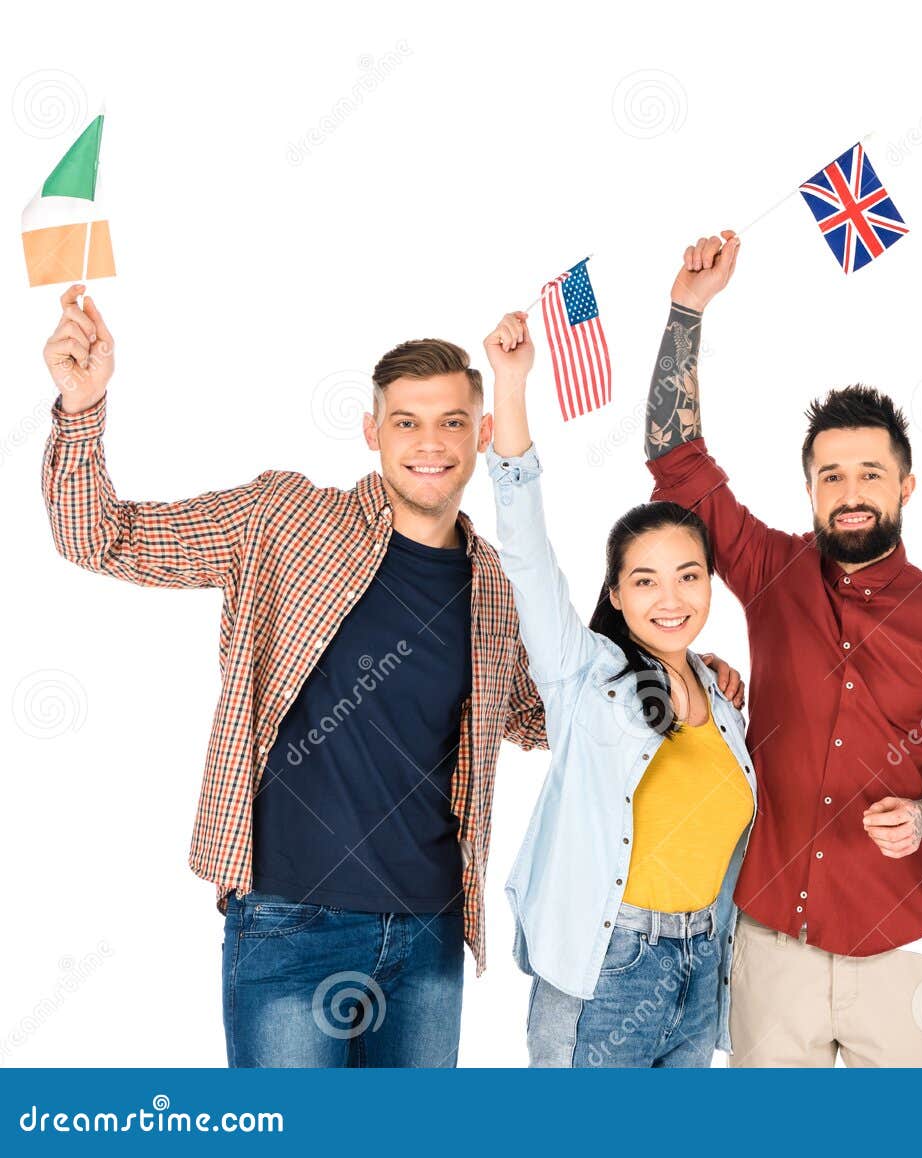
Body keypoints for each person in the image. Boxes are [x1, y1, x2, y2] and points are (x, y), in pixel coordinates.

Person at [37, 286, 737, 1066]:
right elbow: (102, 538)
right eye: (406, 422)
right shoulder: (285, 519)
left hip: (427, 939)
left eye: (451, 423)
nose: (429, 443)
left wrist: (679, 671)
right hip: (290, 923)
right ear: (373, 431)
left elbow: (549, 715)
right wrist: (82, 408)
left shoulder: (494, 587)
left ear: (480, 437)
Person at [644, 231, 922, 1067]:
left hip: (905, 949)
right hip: (772, 940)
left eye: (870, 474)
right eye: (832, 476)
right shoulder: (772, 571)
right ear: (810, 488)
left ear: (905, 486)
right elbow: (675, 459)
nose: (851, 494)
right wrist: (688, 310)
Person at [481, 311, 756, 1067]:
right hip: (610, 968)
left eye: (688, 577)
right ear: (618, 593)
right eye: (646, 581)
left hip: (702, 971)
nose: (670, 599)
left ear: (708, 586)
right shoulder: (585, 676)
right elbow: (528, 557)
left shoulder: (724, 700)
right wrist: (511, 386)